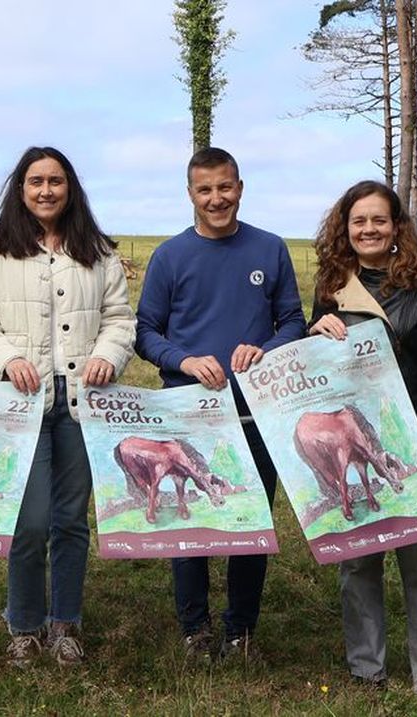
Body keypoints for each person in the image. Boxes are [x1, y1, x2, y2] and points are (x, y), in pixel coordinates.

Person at [0, 146, 136, 667]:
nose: (45, 190)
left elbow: (119, 319)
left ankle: (65, 625)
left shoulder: (97, 251)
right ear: (21, 189)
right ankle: (24, 624)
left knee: (70, 519)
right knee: (29, 520)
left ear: (70, 187)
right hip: (22, 403)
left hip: (83, 402)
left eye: (55, 181)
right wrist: (7, 359)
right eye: (35, 181)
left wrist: (106, 355)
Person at [135, 147, 305, 660]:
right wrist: (184, 361)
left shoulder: (270, 249)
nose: (217, 199)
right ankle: (195, 629)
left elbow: (293, 321)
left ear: (240, 187)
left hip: (255, 412)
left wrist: (267, 349)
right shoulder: (169, 256)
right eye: (205, 190)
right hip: (187, 411)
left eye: (225, 187)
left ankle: (240, 629)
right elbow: (146, 332)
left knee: (250, 522)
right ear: (190, 194)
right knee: (189, 523)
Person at [307, 179, 417, 702]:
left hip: (416, 435)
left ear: (396, 227)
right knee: (358, 561)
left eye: (379, 220)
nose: (369, 229)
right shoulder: (331, 286)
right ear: (345, 228)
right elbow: (312, 368)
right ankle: (365, 669)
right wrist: (315, 332)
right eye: (359, 221)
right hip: (348, 437)